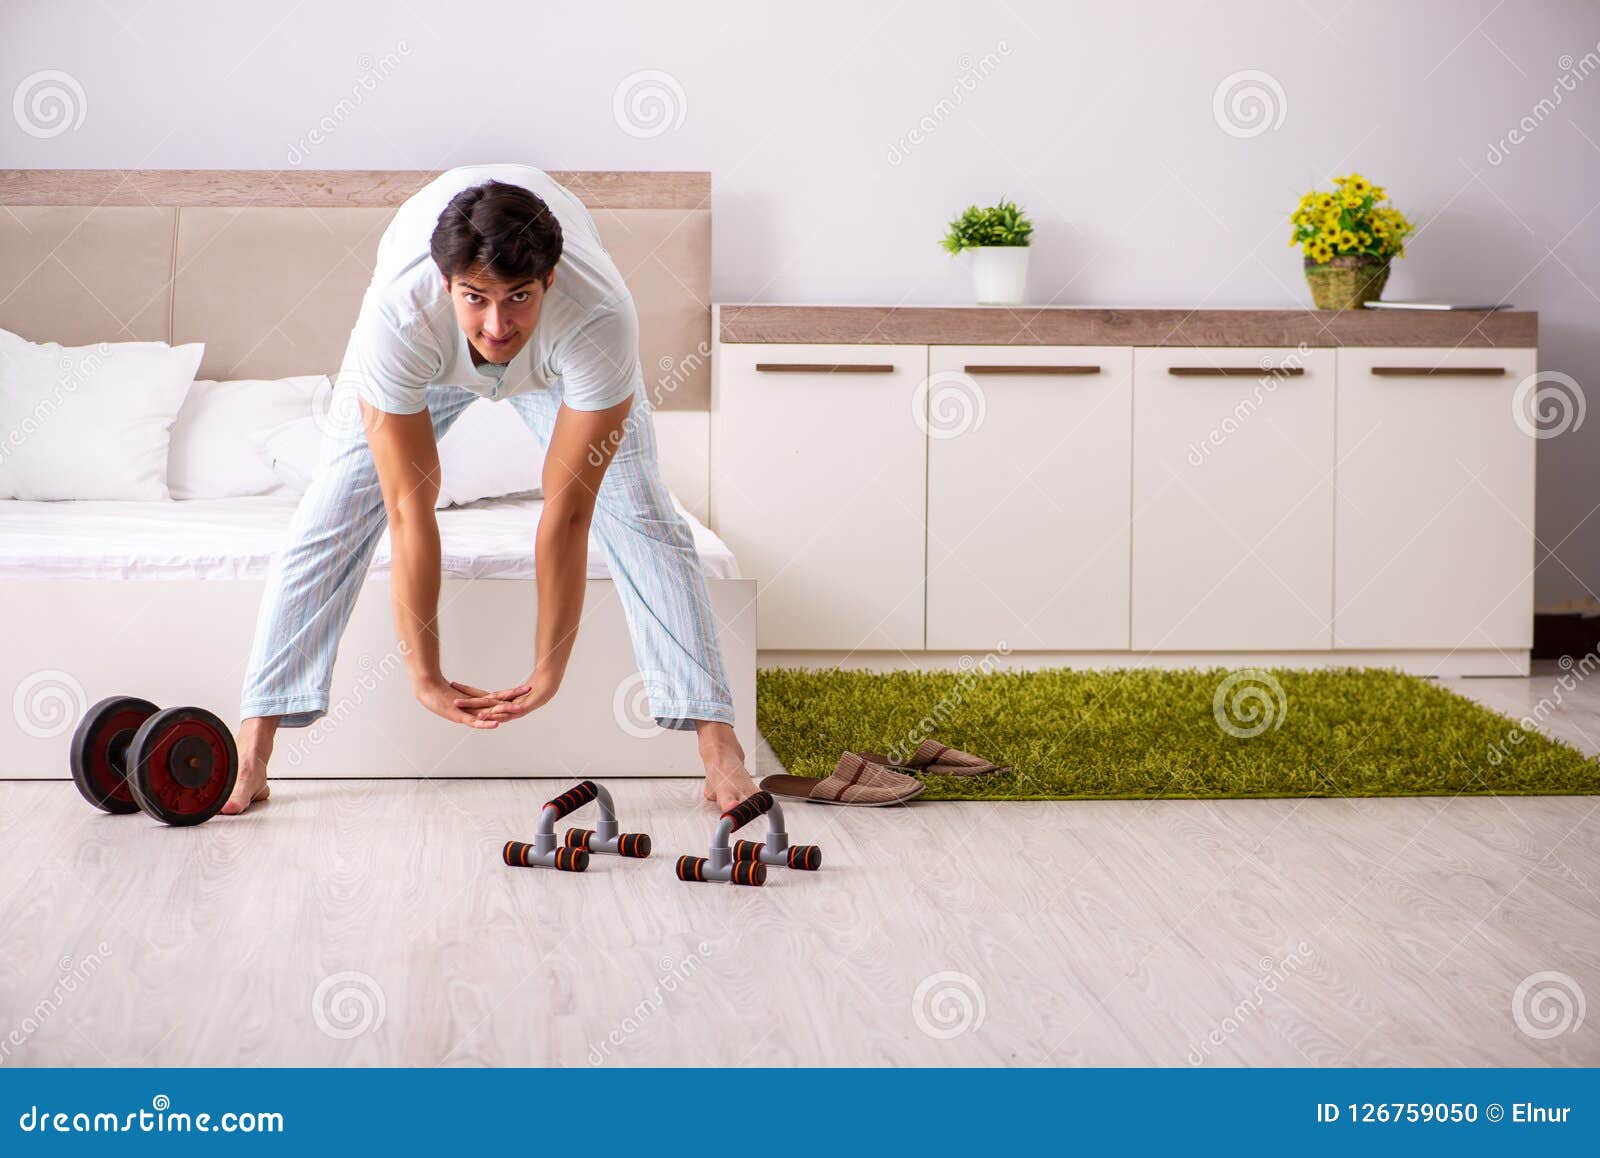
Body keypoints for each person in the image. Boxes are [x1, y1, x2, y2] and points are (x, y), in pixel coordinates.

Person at [226, 164, 757, 814]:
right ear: (447, 284)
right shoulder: (400, 319)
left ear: (549, 282)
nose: (499, 325)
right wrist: (423, 675)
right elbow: (407, 506)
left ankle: (719, 747)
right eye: (477, 297)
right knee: (331, 513)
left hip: (558, 362)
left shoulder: (599, 317)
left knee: (642, 512)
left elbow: (567, 514)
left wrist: (548, 669)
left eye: (519, 297)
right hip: (430, 358)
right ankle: (251, 752)